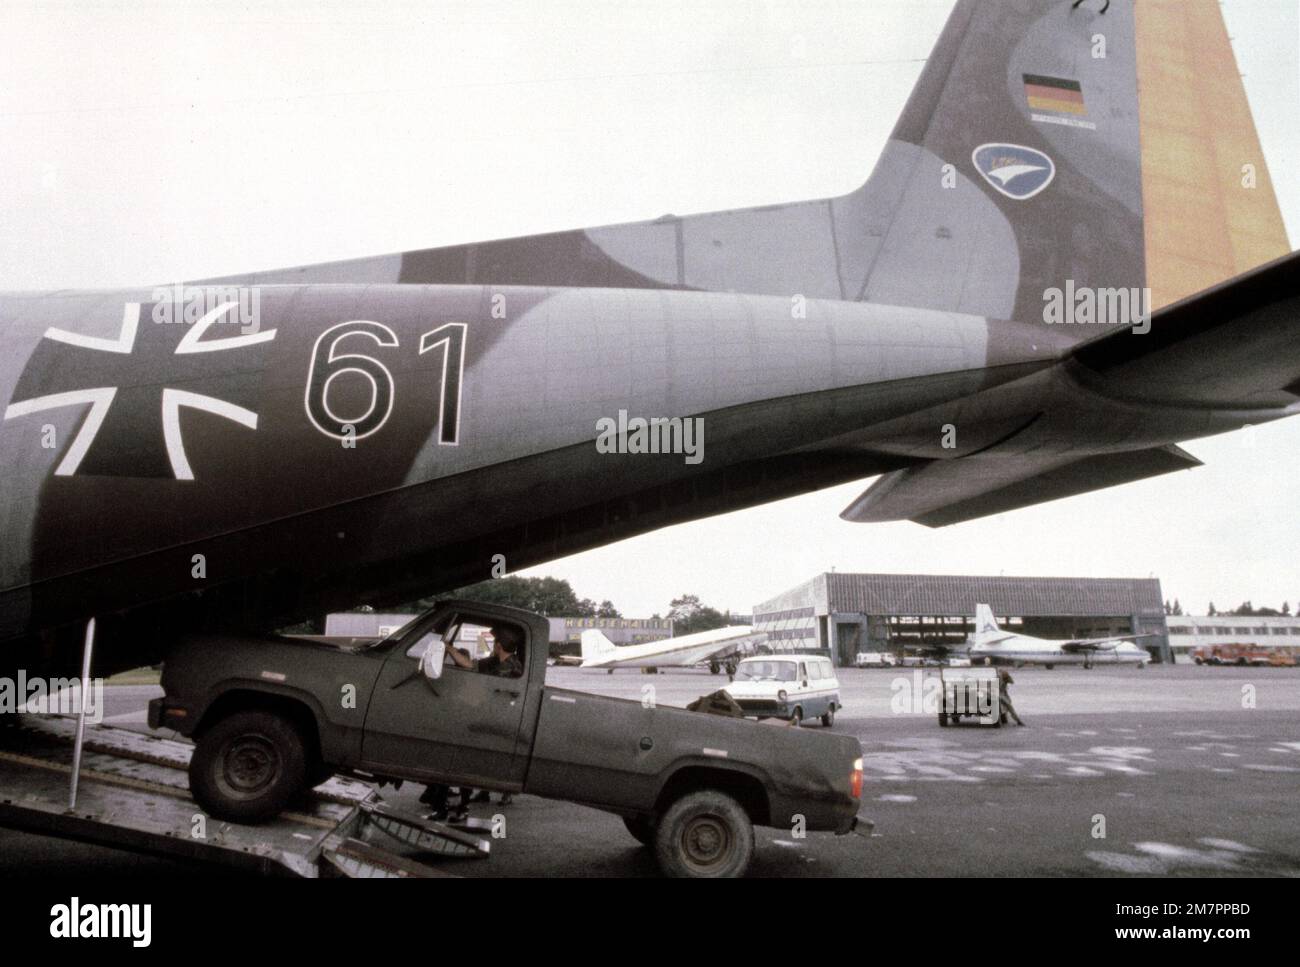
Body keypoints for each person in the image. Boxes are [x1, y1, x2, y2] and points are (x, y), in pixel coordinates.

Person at [420, 623, 525, 820]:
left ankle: (452, 807)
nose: (494, 645)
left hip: (492, 723)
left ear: (500, 645)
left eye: (495, 642)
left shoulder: (512, 667)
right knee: (463, 762)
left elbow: (493, 693)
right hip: (483, 719)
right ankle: (460, 807)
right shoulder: (495, 662)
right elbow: (468, 665)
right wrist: (449, 648)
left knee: (457, 760)